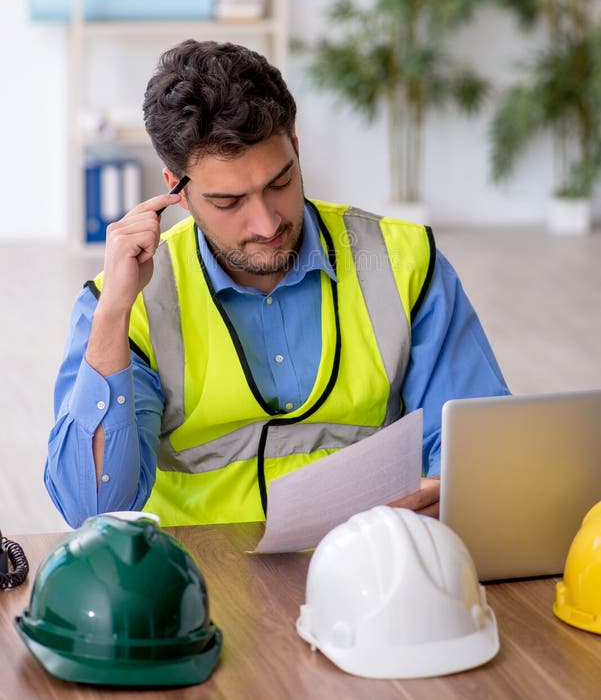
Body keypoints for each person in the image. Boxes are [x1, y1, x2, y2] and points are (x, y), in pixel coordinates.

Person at [45, 40, 509, 528]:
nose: (266, 223)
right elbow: (91, 507)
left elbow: (478, 451)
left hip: (372, 570)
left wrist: (449, 490)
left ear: (295, 145)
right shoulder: (125, 302)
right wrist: (114, 312)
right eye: (229, 203)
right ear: (175, 189)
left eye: (280, 183)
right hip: (195, 586)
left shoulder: (404, 261)